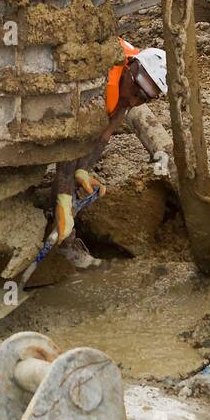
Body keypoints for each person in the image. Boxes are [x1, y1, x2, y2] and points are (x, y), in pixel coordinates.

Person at [54, 37, 168, 268]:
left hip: (87, 112)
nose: (134, 99)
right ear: (128, 67)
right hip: (61, 96)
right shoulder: (99, 80)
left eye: (143, 99)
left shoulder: (131, 85)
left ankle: (65, 235)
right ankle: (65, 239)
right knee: (66, 178)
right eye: (135, 91)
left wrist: (84, 169)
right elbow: (69, 144)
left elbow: (107, 132)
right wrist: (63, 198)